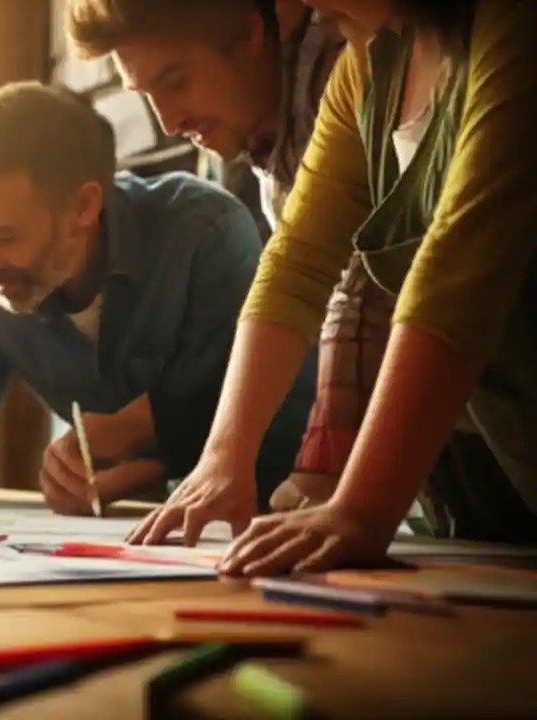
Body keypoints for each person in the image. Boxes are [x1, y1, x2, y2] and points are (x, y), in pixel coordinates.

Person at [131, 0, 537, 575]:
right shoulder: (367, 64)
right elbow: (295, 262)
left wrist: (359, 509)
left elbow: (462, 260)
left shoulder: (512, 24)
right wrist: (223, 459)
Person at [0, 81, 315, 517]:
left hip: (286, 511)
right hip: (133, 540)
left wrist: (135, 451)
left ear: (83, 206)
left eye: (2, 235)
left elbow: (274, 411)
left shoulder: (202, 233)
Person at [65, 0, 359, 513]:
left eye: (175, 81)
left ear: (249, 33)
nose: (169, 120)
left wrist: (319, 474)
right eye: (147, 95)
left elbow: (347, 293)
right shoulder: (264, 134)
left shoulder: (341, 73)